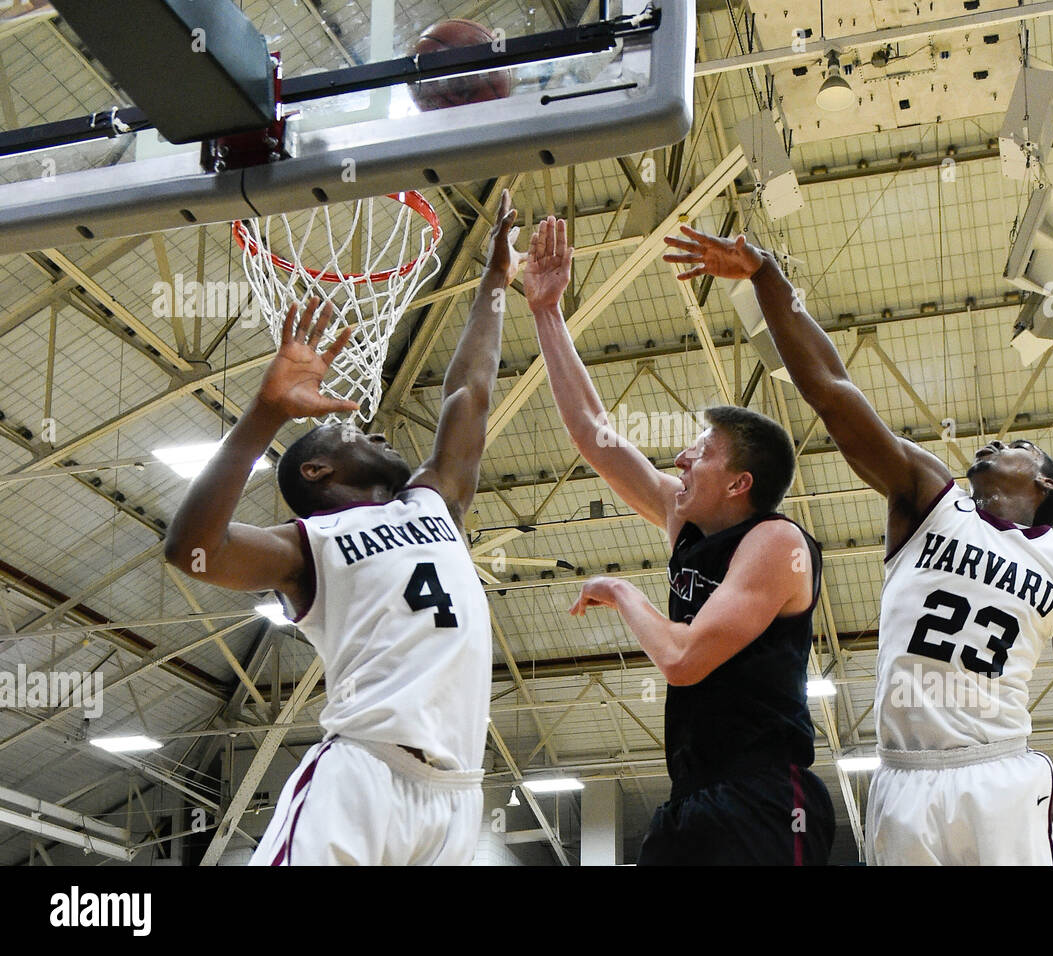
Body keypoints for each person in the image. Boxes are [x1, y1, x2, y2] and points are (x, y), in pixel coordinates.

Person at [663, 225, 1053, 866]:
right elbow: (831, 390)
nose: (996, 445)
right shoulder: (926, 496)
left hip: (996, 770)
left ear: (1044, 482)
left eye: (1018, 447)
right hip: (903, 776)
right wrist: (768, 277)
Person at [164, 193, 522, 866]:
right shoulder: (307, 547)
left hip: (458, 794)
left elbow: (469, 392)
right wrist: (267, 412)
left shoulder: (432, 503)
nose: (376, 427)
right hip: (364, 774)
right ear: (319, 470)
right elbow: (193, 551)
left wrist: (495, 283)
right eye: (348, 430)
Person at [523, 216, 835, 865]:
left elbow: (685, 659)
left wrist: (621, 592)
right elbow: (592, 431)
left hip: (767, 795)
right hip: (693, 795)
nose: (684, 456)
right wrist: (547, 312)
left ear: (739, 483)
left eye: (705, 451)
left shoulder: (779, 543)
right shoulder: (686, 518)